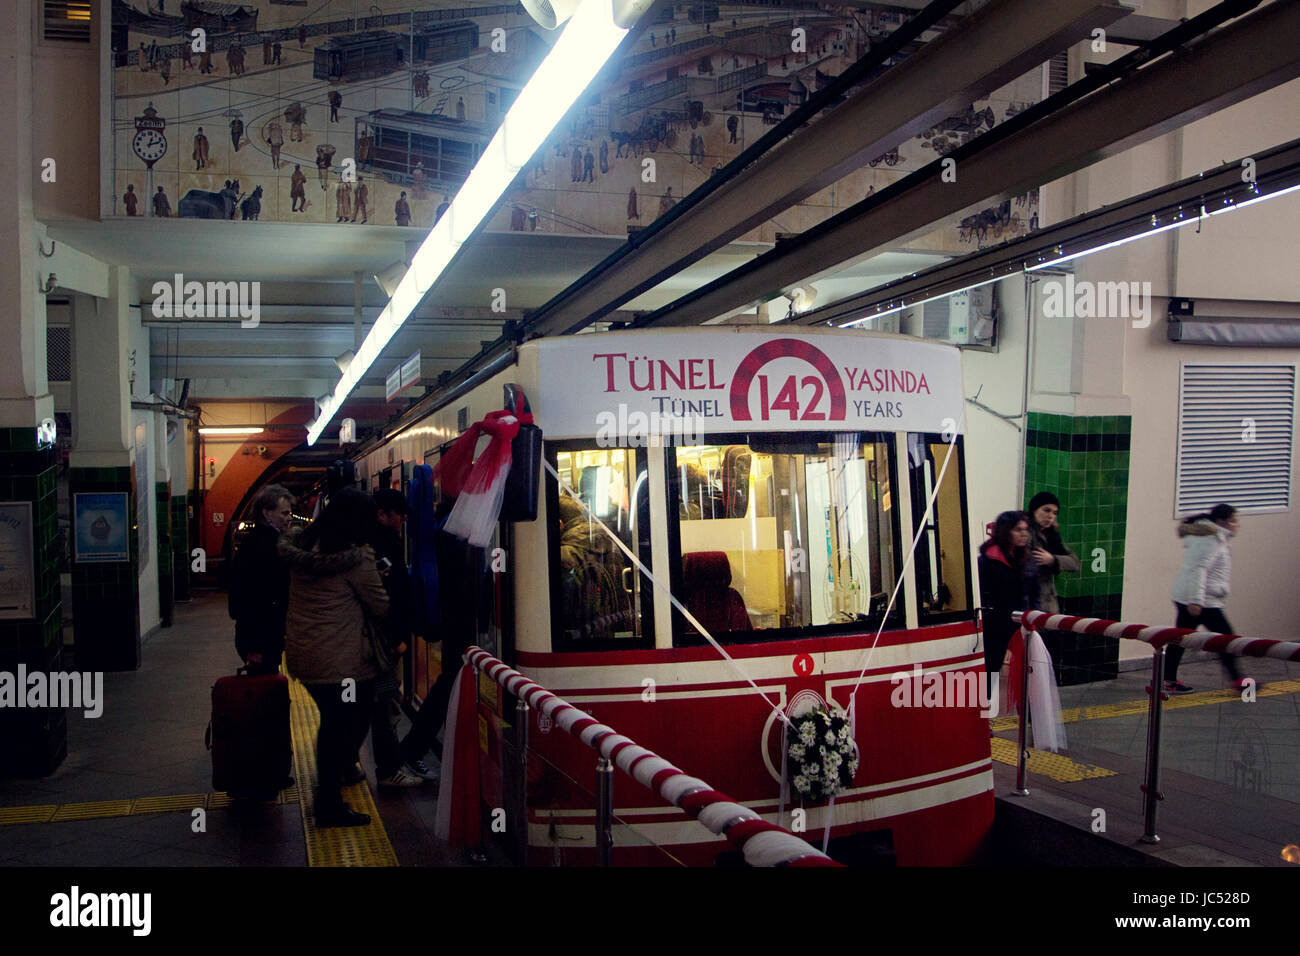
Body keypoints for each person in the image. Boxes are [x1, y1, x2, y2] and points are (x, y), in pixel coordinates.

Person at [280, 489, 388, 827]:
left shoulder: (301, 547)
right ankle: (328, 801)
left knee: (335, 722)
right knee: (344, 723)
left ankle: (334, 780)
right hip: (342, 663)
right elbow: (380, 605)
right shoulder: (356, 558)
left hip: (305, 655)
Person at [366, 489, 434, 786]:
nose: (403, 519)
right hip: (384, 642)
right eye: (399, 514)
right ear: (383, 514)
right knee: (385, 703)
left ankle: (382, 766)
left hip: (381, 640)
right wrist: (396, 638)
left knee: (381, 703)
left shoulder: (378, 543)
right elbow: (385, 600)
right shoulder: (379, 547)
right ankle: (389, 770)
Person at [1167, 503, 1248, 692]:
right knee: (1226, 638)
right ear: (1222, 521)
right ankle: (1237, 680)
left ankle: (1167, 680)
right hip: (1202, 601)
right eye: (1234, 521)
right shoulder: (1211, 540)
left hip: (1191, 597)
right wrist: (1196, 601)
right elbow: (1199, 569)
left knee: (1180, 639)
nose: (1237, 525)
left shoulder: (1210, 536)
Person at [229, 484, 293, 675]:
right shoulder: (265, 547)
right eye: (284, 513)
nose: (289, 518)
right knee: (266, 686)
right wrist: (254, 647)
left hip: (262, 633)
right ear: (267, 513)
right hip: (262, 635)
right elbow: (251, 597)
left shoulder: (258, 542)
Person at [977, 511, 1034, 698]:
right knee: (989, 673)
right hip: (994, 629)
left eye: (1025, 530)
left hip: (1019, 625)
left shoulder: (1023, 558)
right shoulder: (987, 562)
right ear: (1005, 531)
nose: (1023, 534)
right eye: (1018, 530)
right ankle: (982, 720)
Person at [1026, 492, 1079, 614]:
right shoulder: (1023, 532)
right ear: (1034, 510)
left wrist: (1053, 560)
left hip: (1047, 601)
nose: (1050, 516)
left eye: (1055, 513)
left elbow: (1075, 562)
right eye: (1046, 510)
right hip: (1028, 599)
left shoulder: (1052, 535)